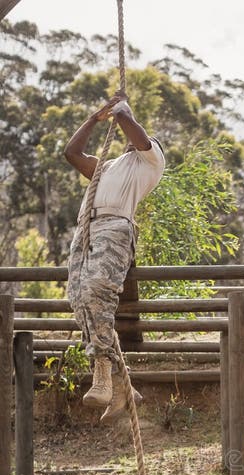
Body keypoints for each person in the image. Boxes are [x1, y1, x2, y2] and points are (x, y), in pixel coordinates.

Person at [65, 93, 165, 423]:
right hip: (86, 228)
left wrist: (123, 110)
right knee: (78, 297)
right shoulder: (105, 167)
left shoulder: (149, 162)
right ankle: (121, 383)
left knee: (96, 292)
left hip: (114, 226)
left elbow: (136, 133)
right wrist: (95, 119)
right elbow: (72, 153)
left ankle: (104, 374)